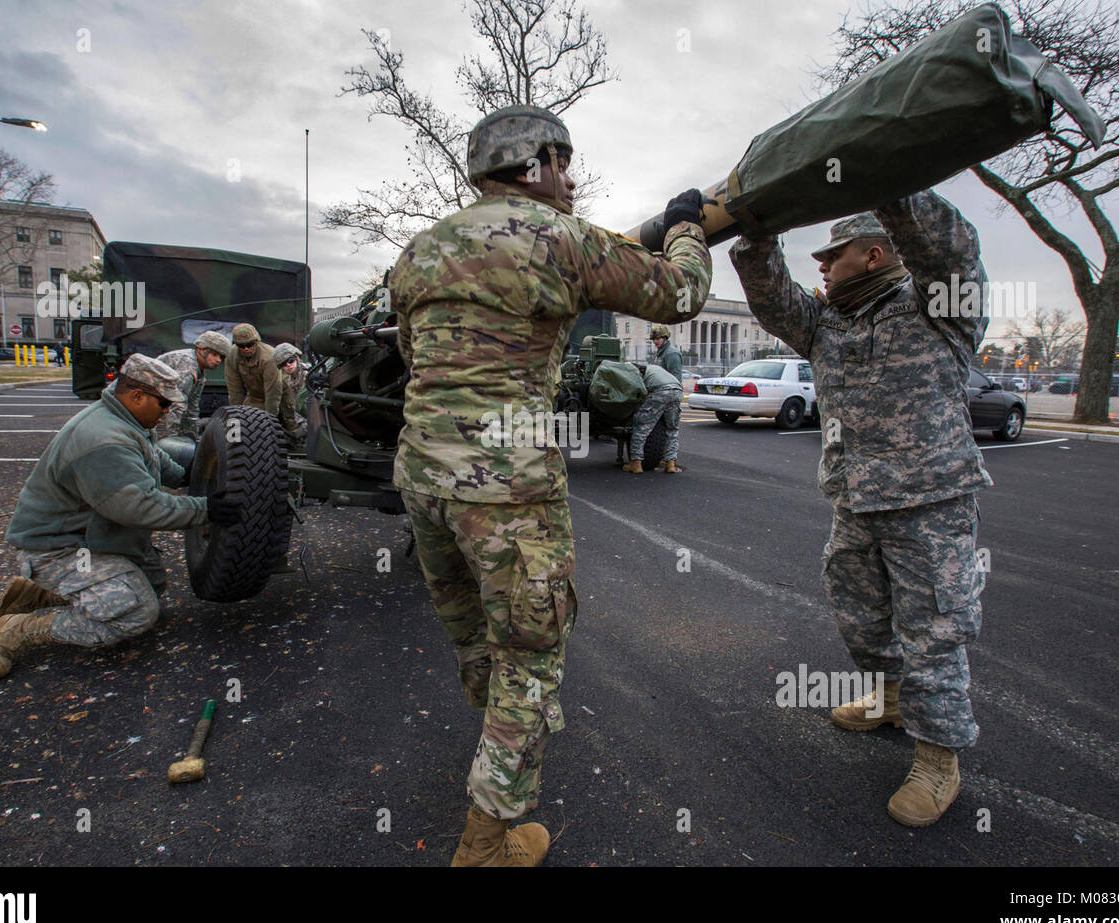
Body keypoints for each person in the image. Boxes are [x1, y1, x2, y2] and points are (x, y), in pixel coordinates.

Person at [390, 104, 712, 866]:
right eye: (564, 165)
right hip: (508, 491)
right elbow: (681, 296)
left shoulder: (420, 250)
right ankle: (488, 836)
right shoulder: (562, 239)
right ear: (540, 162)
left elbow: (412, 352)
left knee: (473, 633)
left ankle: (493, 738)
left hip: (422, 477)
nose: (570, 180)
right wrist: (689, 228)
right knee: (530, 657)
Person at [729, 192, 992, 827]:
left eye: (832, 256)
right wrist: (756, 233)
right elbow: (769, 294)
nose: (820, 269)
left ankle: (938, 757)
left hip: (928, 502)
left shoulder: (939, 310)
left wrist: (889, 182)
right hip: (854, 500)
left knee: (934, 630)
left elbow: (951, 251)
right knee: (860, 615)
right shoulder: (826, 324)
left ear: (873, 253)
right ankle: (892, 697)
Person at [0, 354, 241, 678]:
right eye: (162, 404)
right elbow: (139, 507)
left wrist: (196, 473)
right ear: (137, 396)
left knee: (152, 583)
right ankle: (19, 630)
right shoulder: (102, 439)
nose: (166, 413)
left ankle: (41, 593)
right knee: (136, 611)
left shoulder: (125, 423)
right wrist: (205, 510)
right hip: (60, 548)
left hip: (92, 536)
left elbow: (155, 461)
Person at [155, 330, 232, 440]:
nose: (218, 360)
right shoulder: (187, 365)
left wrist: (193, 436)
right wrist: (169, 438)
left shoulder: (199, 372)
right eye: (214, 354)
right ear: (201, 350)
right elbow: (175, 404)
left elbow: (192, 407)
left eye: (221, 357)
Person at [623, 363, 684, 474]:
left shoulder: (636, 374)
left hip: (661, 392)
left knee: (641, 428)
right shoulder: (653, 369)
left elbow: (639, 393)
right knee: (672, 429)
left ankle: (636, 463)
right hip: (677, 390)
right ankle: (670, 463)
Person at [271, 341, 307, 447]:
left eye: (291, 360)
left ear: (298, 358)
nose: (288, 365)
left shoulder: (309, 376)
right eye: (283, 364)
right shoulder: (287, 380)